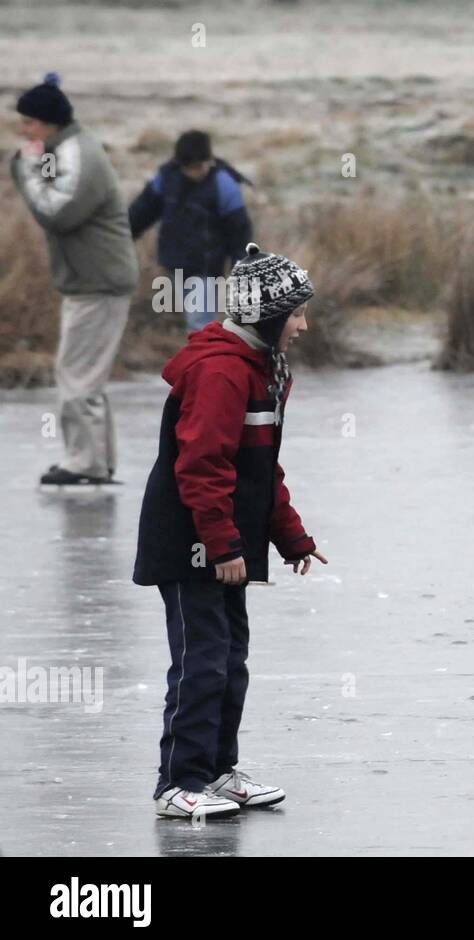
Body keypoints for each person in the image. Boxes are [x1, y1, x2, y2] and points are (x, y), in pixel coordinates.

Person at [133, 243, 327, 818]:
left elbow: (261, 468)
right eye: (295, 313)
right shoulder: (221, 372)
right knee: (201, 660)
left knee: (230, 658)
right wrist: (219, 543)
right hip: (193, 542)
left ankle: (217, 771)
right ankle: (179, 782)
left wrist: (290, 537)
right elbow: (202, 466)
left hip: (225, 545)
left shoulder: (257, 367)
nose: (303, 325)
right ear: (267, 316)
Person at [11, 72, 139, 486]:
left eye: (28, 122)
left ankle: (84, 464)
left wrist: (27, 171)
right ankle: (95, 462)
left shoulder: (78, 153)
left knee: (77, 375)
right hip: (90, 282)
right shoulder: (66, 149)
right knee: (85, 376)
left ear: (49, 123)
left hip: (98, 283)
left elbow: (58, 213)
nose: (23, 130)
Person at [129, 129, 253, 332]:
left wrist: (241, 268)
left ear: (209, 161)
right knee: (190, 322)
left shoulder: (224, 184)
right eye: (190, 168)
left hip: (206, 270)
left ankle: (203, 363)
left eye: (200, 166)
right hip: (174, 264)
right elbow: (143, 211)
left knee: (199, 327)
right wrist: (122, 235)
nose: (196, 172)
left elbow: (239, 232)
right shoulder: (166, 178)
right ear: (180, 164)